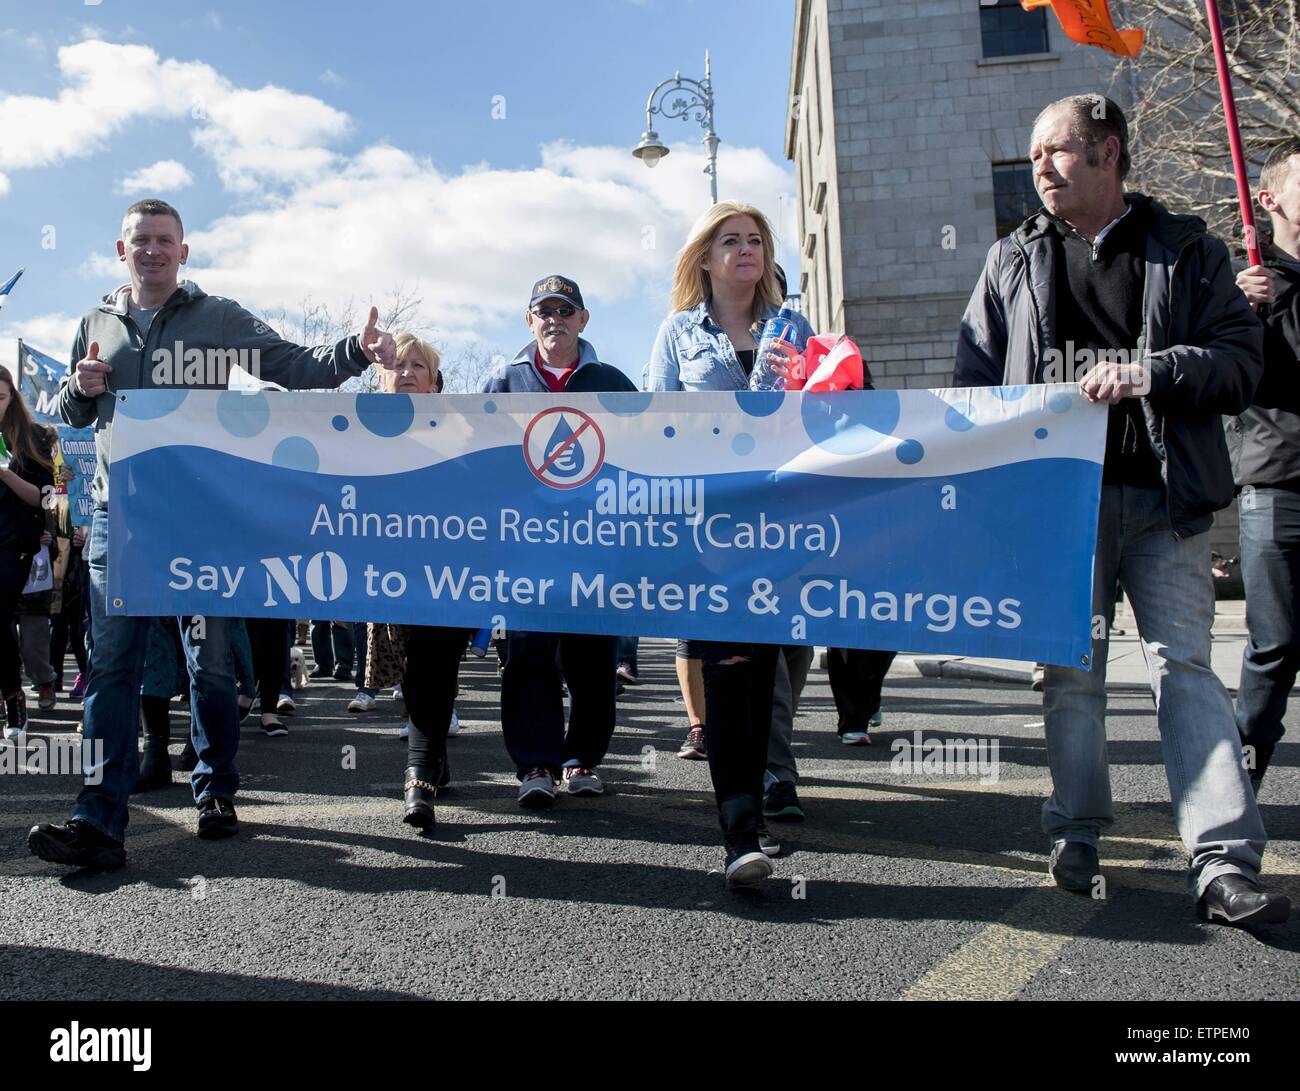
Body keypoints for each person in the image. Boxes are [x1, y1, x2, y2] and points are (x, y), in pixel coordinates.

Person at [953, 95, 1287, 926]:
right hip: (1062, 506)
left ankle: (1222, 859)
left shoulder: (1188, 249)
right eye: (1033, 154)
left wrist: (1154, 372)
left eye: (1056, 151)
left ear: (1107, 153)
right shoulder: (1010, 258)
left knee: (1186, 671)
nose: (1039, 167)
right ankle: (1076, 830)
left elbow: (1240, 363)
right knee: (1072, 674)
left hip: (1166, 500)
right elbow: (973, 384)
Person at [27, 197, 395, 870]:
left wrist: (354, 351)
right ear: (121, 250)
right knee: (111, 668)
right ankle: (97, 820)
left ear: (183, 251)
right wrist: (78, 388)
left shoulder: (218, 317)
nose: (152, 250)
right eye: (140, 239)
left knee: (213, 662)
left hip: (201, 519)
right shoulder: (95, 322)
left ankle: (216, 789)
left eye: (164, 240)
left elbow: (292, 363)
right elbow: (70, 413)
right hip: (120, 518)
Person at [645, 202, 815, 884]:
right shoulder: (678, 333)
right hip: (709, 530)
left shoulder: (794, 328)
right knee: (727, 670)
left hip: (781, 528)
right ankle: (739, 832)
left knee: (767, 673)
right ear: (706, 258)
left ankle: (760, 800)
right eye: (731, 241)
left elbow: (826, 414)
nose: (746, 250)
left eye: (755, 241)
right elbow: (654, 428)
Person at [484, 275, 635, 807]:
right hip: (525, 550)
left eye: (565, 311)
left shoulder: (613, 383)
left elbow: (644, 456)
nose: (554, 320)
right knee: (528, 656)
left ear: (583, 320)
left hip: (598, 547)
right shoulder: (503, 383)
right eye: (544, 311)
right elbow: (478, 460)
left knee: (592, 659)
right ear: (530, 321)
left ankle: (582, 760)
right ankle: (535, 765)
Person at [363, 333, 470, 830]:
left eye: (418, 366)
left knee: (435, 662)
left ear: (433, 383)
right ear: (383, 379)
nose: (406, 372)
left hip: (450, 571)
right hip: (389, 572)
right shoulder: (356, 433)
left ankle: (418, 778)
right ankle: (436, 755)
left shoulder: (463, 431)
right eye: (398, 366)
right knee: (413, 670)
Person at [1229, 137, 1300, 797]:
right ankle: (1234, 792)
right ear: (1269, 198)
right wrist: (1241, 311)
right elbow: (1220, 376)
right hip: (1279, 485)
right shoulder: (1245, 281)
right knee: (1276, 647)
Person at [0, 366, 55, 741]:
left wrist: (5, 474)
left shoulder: (32, 438)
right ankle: (9, 693)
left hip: (12, 546)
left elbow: (45, 499)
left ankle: (13, 697)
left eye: (0, 397)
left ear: (12, 399)